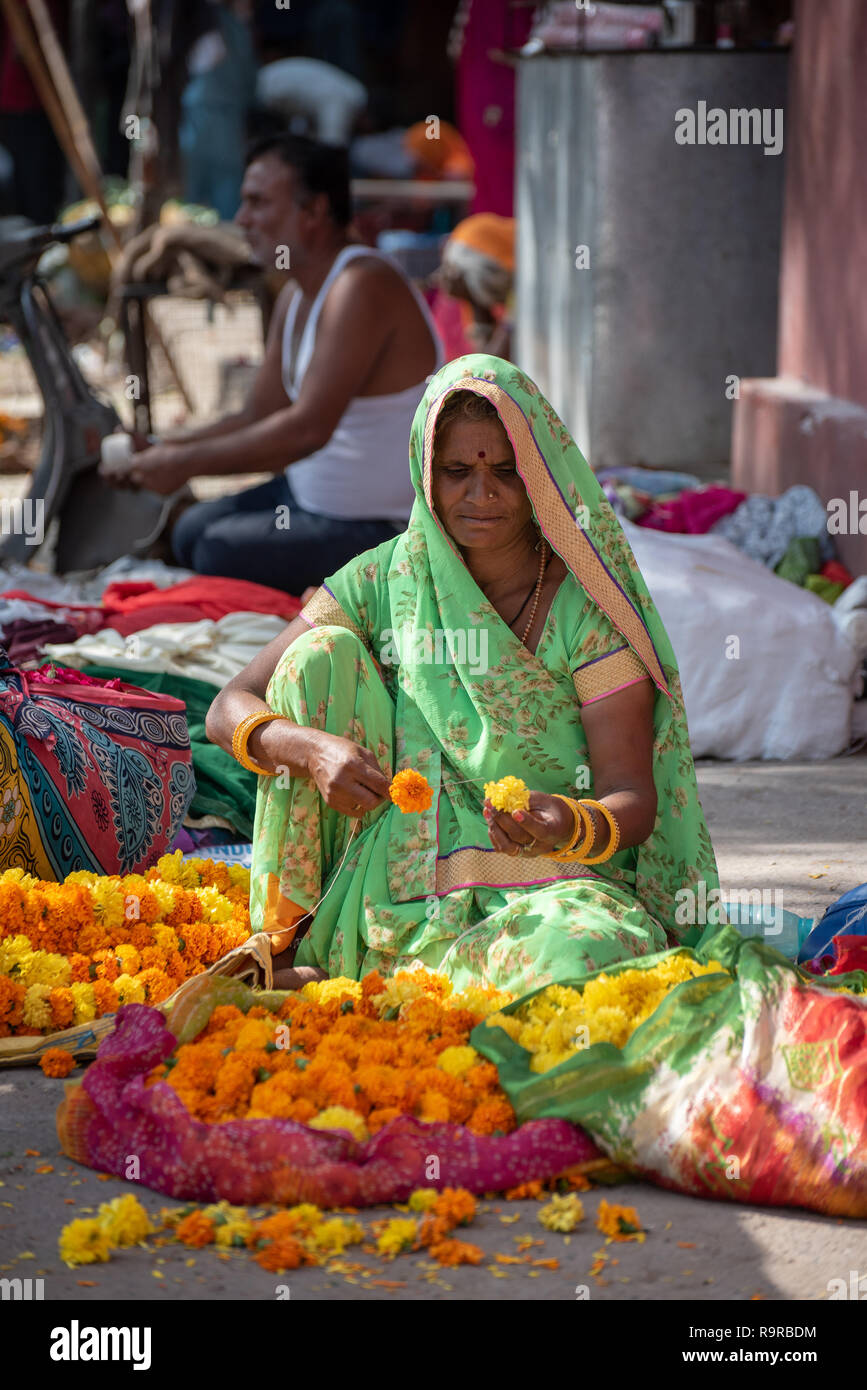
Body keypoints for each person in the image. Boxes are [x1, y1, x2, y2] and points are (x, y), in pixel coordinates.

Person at [205, 353, 720, 992]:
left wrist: (564, 820)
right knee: (317, 659)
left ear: (538, 475)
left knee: (579, 959)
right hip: (395, 869)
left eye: (506, 471)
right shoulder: (385, 577)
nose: (481, 496)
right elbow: (229, 703)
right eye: (456, 471)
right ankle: (298, 938)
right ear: (426, 471)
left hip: (547, 880)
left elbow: (632, 799)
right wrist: (309, 750)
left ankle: (376, 973)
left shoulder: (584, 609)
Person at [101, 134, 444, 594]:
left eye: (258, 203)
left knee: (211, 549)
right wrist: (162, 446)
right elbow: (259, 413)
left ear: (315, 212)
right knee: (191, 533)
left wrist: (182, 463)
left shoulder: (362, 284)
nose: (242, 219)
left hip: (380, 527)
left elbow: (305, 432)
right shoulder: (299, 293)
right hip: (305, 498)